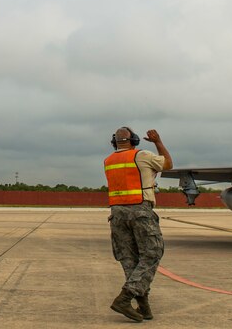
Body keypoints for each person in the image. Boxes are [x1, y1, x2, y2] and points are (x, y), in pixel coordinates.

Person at [104, 126, 172, 322]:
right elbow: (167, 163)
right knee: (152, 253)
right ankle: (125, 298)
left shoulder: (108, 161)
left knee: (129, 259)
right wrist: (158, 141)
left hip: (117, 214)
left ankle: (143, 306)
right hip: (140, 211)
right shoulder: (141, 155)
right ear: (134, 140)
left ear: (114, 142)